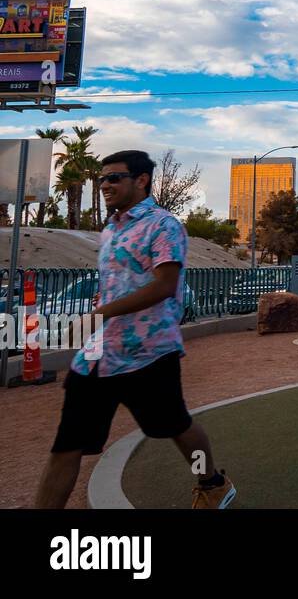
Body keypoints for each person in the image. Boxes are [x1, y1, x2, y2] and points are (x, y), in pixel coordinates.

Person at [36, 150, 235, 509]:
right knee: (66, 446)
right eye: (101, 179)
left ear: (140, 180)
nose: (104, 185)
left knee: (176, 427)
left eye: (114, 177)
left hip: (149, 352)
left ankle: (212, 482)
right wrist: (101, 312)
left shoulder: (164, 225)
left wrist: (101, 313)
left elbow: (164, 285)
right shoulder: (110, 228)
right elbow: (118, 282)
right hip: (97, 357)